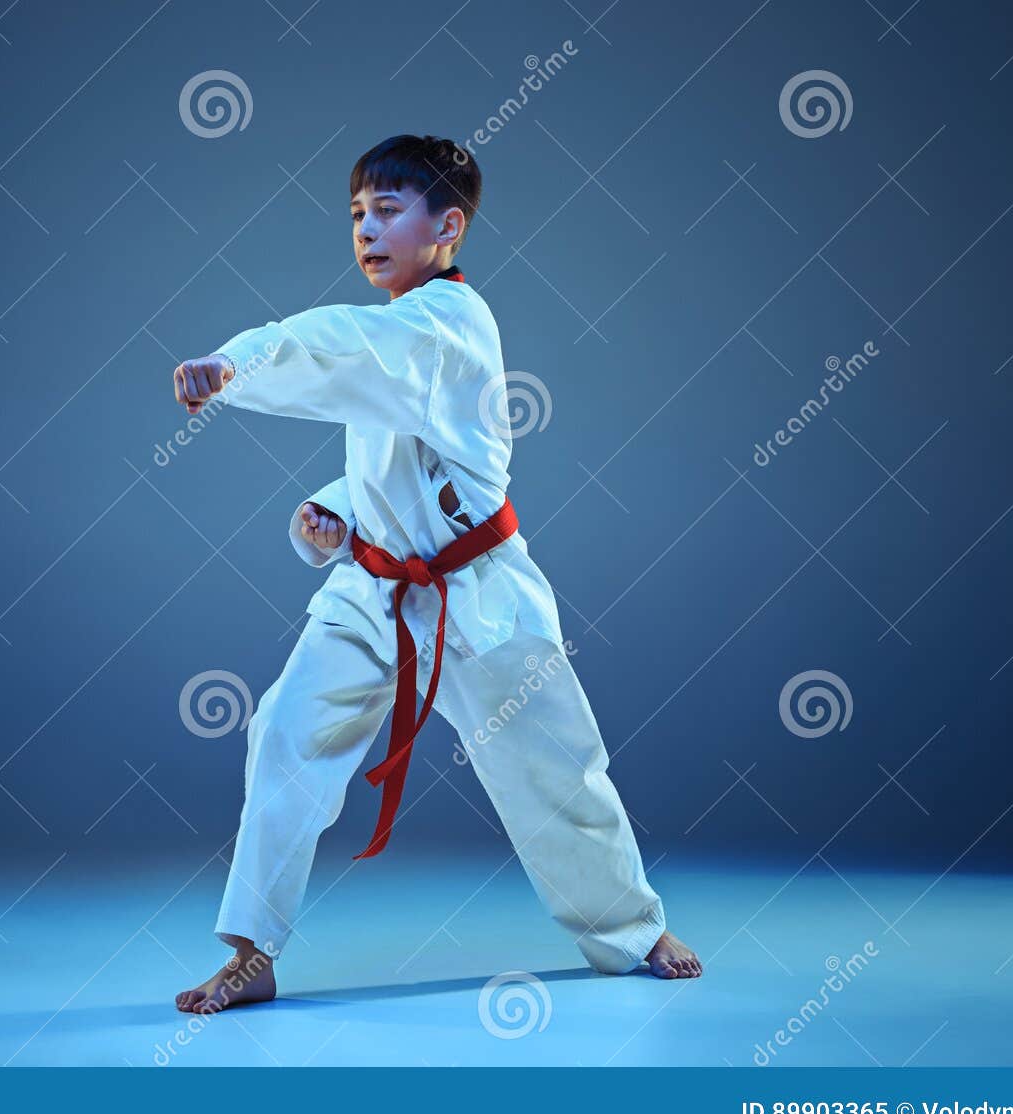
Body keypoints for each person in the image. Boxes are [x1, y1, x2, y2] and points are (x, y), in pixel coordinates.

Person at [171, 134, 701, 1016]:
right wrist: (334, 516)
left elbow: (346, 348)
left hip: (476, 590)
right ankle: (251, 950)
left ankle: (633, 928)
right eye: (355, 215)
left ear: (448, 224)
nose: (366, 231)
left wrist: (234, 367)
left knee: (557, 769)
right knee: (284, 730)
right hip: (373, 590)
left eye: (387, 211)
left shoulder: (448, 323)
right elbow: (395, 457)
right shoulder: (396, 334)